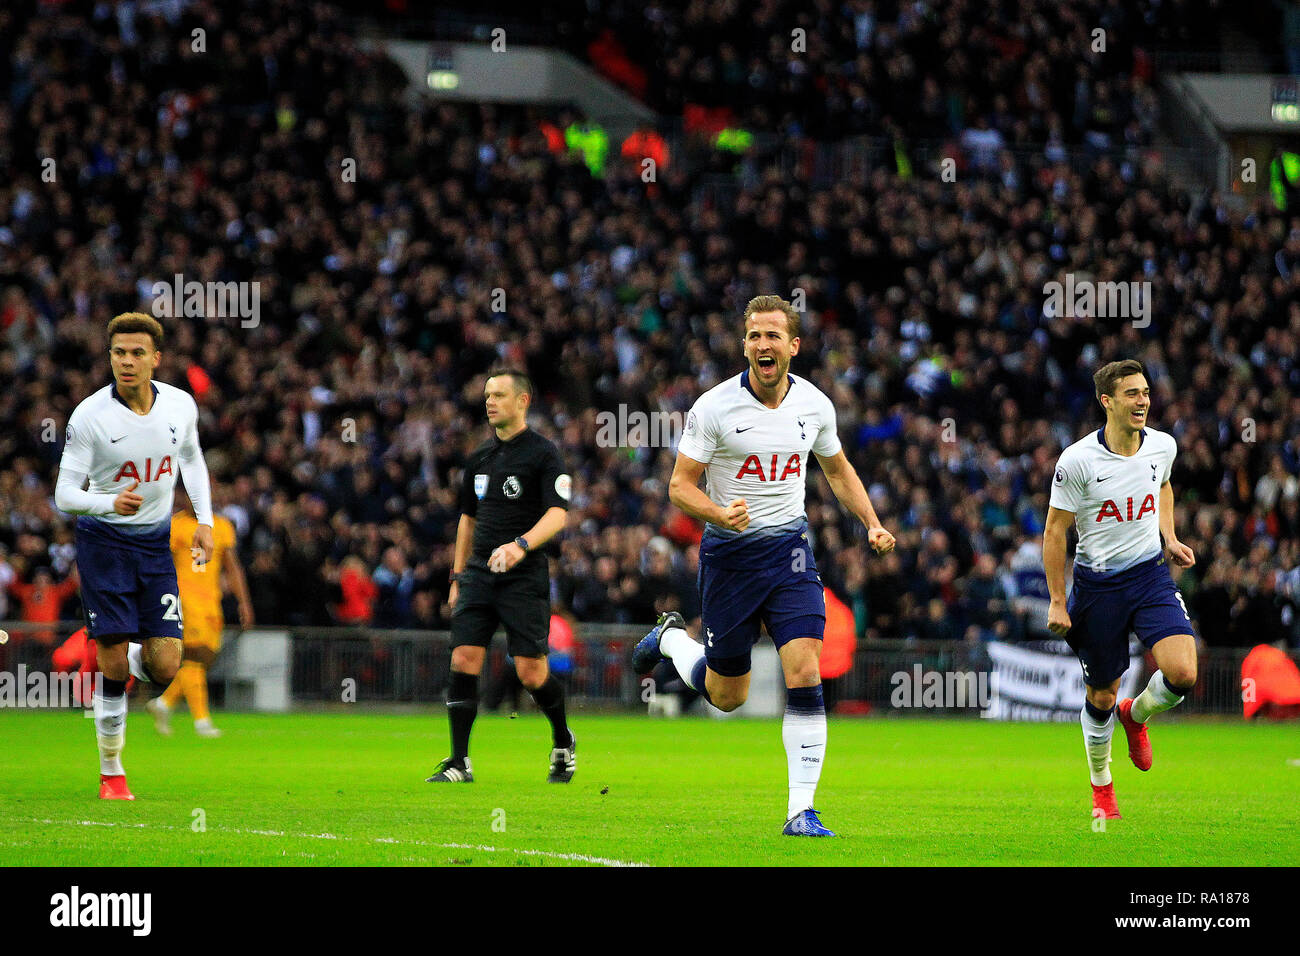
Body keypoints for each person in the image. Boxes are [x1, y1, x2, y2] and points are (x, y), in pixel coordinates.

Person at [631, 295, 896, 836]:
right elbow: (680, 486)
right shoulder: (714, 407)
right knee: (729, 696)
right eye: (754, 335)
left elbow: (839, 470)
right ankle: (672, 641)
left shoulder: (815, 406)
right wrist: (717, 513)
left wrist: (870, 520)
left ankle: (801, 810)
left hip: (790, 551)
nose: (763, 344)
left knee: (804, 667)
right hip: (729, 556)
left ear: (793, 346)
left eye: (773, 335)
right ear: (745, 344)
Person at [53, 312, 216, 800]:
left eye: (137, 352)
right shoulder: (90, 416)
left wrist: (204, 520)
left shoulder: (180, 406)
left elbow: (191, 458)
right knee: (113, 654)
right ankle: (111, 770)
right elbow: (64, 494)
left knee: (167, 663)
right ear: (110, 357)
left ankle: (120, 657)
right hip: (104, 543)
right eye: (119, 352)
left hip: (153, 544)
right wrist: (108, 501)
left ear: (155, 359)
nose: (127, 361)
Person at [1043, 359, 1198, 820]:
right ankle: (1102, 787)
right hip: (1099, 587)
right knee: (1101, 696)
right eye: (1132, 393)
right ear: (1106, 401)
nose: (1143, 400)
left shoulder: (1162, 446)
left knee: (1184, 673)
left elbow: (1164, 485)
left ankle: (1137, 716)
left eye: (1145, 392)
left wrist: (1168, 537)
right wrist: (1057, 599)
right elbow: (1055, 532)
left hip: (1150, 576)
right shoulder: (1077, 461)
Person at [427, 369, 574, 783]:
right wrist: (457, 577)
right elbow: (467, 520)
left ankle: (562, 740)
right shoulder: (478, 457)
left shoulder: (544, 454)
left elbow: (558, 514)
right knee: (464, 658)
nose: (490, 401)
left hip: (523, 576)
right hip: (476, 574)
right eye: (487, 394)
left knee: (531, 672)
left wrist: (520, 546)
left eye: (499, 395)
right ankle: (459, 761)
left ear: (522, 401)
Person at [146, 487, 253, 738]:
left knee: (206, 657)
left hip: (211, 603)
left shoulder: (222, 526)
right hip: (185, 600)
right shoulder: (176, 525)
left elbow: (233, 568)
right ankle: (202, 721)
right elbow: (162, 564)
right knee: (195, 655)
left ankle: (164, 703)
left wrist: (243, 602)